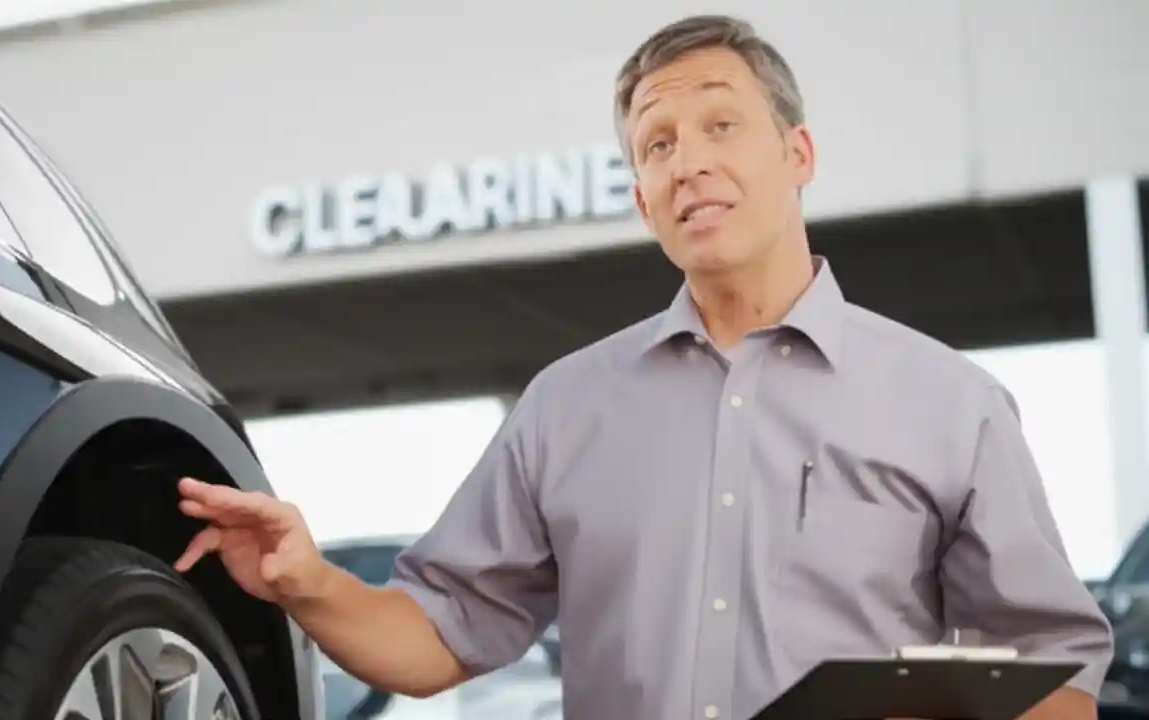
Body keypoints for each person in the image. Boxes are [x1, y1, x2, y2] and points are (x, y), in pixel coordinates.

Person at [174, 14, 1114, 720]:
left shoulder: (949, 402)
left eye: (719, 126)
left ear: (798, 155)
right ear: (641, 200)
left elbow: (1054, 679)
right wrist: (310, 581)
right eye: (657, 146)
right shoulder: (566, 408)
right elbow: (436, 635)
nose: (687, 162)